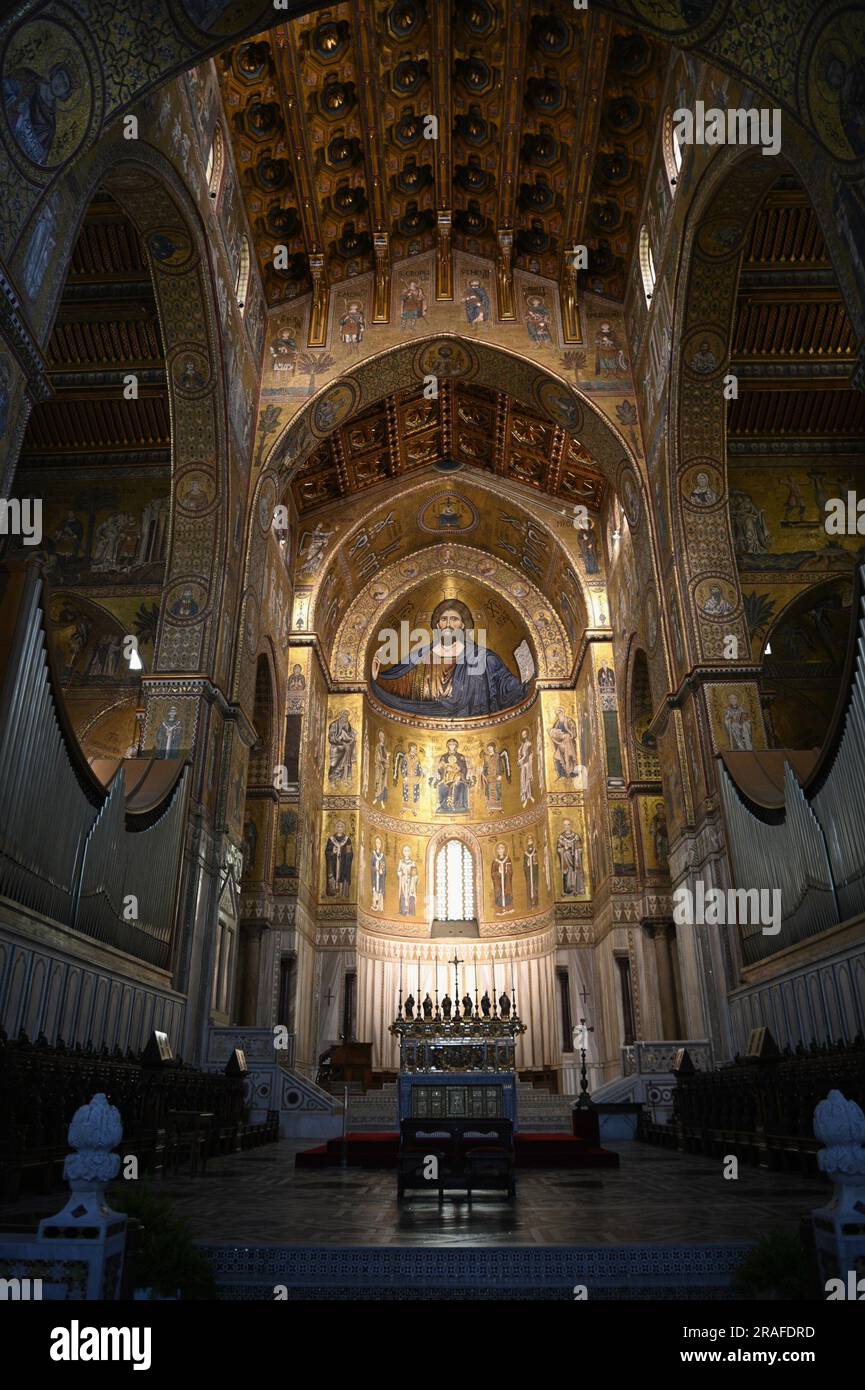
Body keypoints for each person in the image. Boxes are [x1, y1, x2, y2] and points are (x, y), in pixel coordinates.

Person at [372, 599, 528, 718]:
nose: (448, 624)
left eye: (454, 619)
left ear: (462, 625)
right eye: (443, 619)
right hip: (425, 725)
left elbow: (506, 687)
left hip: (475, 731)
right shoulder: (420, 656)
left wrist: (526, 681)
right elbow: (398, 684)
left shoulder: (484, 658)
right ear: (437, 626)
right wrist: (376, 676)